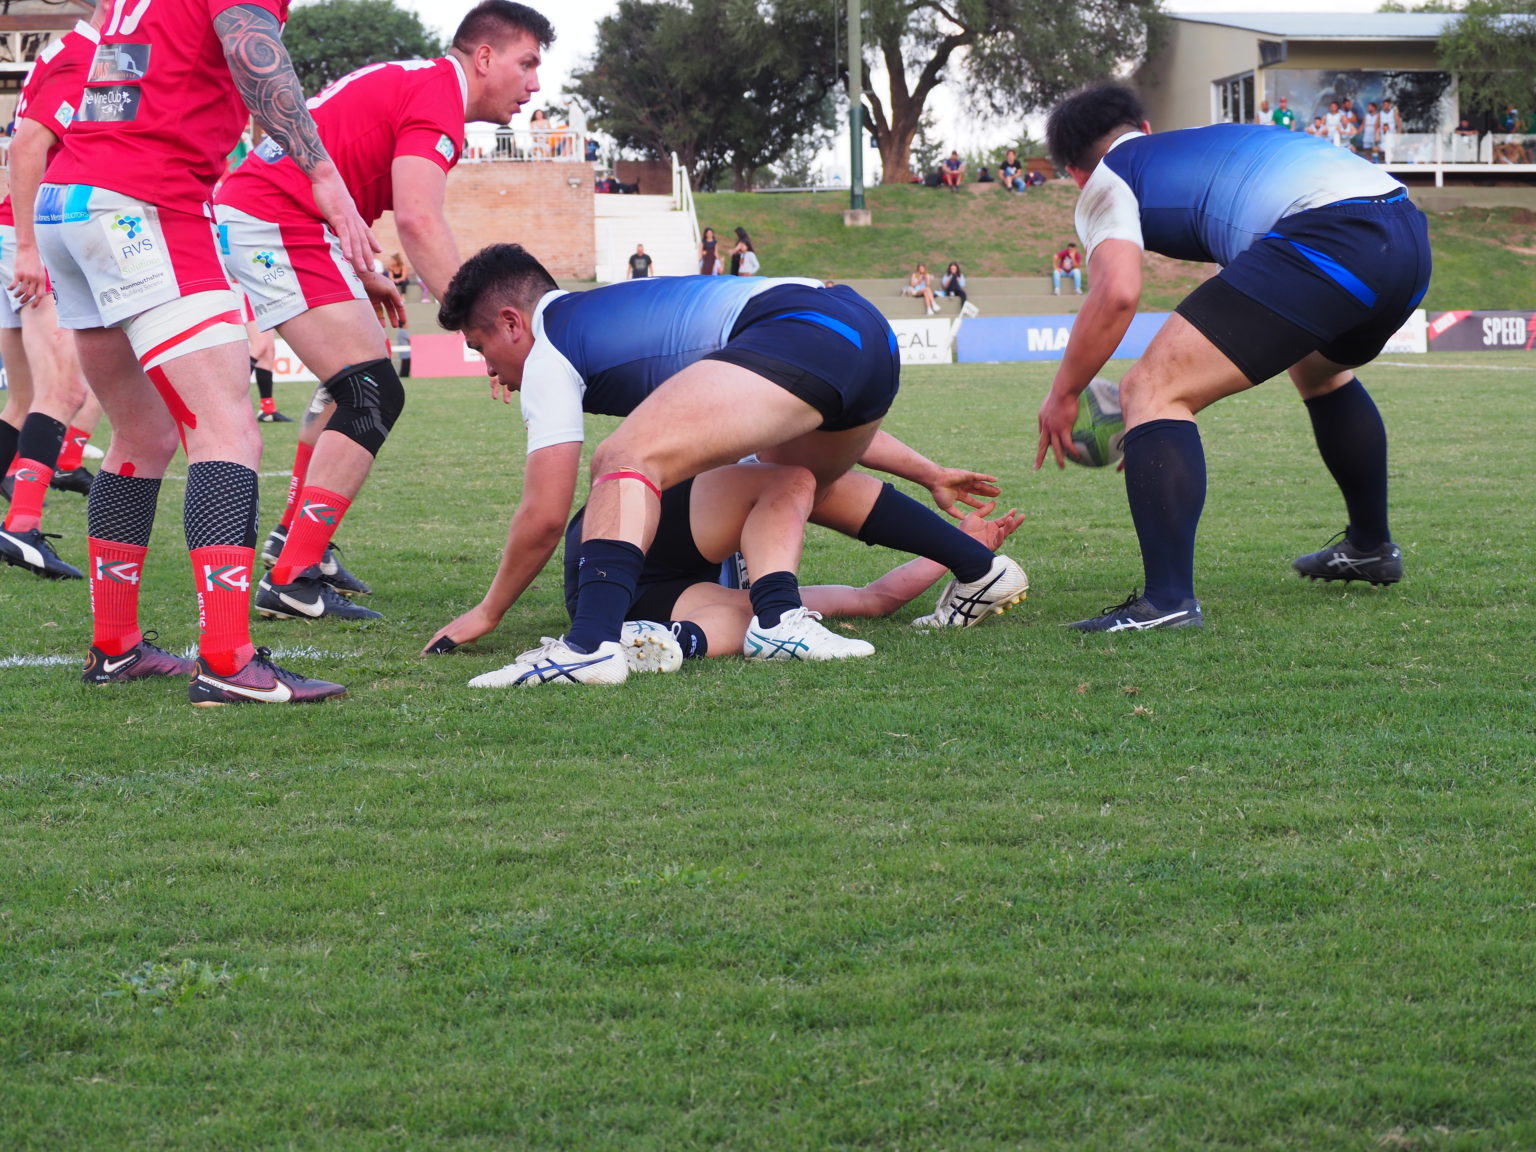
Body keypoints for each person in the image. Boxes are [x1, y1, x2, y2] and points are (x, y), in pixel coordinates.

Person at [422, 243, 1027, 685]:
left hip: (801, 326)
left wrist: (489, 610)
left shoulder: (553, 346)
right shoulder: (622, 323)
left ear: (511, 323)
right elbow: (787, 402)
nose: (489, 370)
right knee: (790, 471)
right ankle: (977, 566)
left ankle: (588, 647)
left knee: (621, 456)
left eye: (481, 350)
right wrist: (929, 474)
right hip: (862, 334)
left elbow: (546, 513)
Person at [33, 0, 379, 702]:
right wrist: (321, 173)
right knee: (227, 429)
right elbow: (254, 49)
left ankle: (115, 647)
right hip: (143, 200)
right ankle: (227, 659)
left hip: (68, 201)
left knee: (142, 432)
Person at [1035, 82, 1430, 631]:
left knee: (1150, 390)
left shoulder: (1109, 177)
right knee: (1319, 368)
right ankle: (1369, 545)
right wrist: (1157, 442)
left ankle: (1167, 603)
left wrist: (1065, 395)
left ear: (1075, 172)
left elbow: (1118, 293)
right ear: (1146, 129)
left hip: (1332, 234)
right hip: (1406, 230)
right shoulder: (1206, 142)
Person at [216, 0, 553, 625]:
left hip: (279, 216)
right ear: (484, 57)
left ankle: (294, 543)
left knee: (354, 386)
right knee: (371, 391)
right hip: (278, 219)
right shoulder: (438, 99)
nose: (535, 84)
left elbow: (351, 159)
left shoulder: (420, 81)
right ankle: (292, 574)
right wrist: (481, 330)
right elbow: (419, 218)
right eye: (527, 63)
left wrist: (364, 269)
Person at [559, 462, 1026, 661]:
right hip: (618, 540)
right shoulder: (748, 514)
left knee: (746, 615)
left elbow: (874, 599)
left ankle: (669, 643)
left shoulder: (754, 583)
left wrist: (954, 552)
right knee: (795, 480)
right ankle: (769, 626)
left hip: (652, 600)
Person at [0, 7, 106, 580]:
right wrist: (27, 248)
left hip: (17, 235)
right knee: (63, 389)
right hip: (29, 239)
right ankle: (22, 528)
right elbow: (27, 147)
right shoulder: (85, 54)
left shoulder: (77, 50)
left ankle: (17, 525)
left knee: (24, 401)